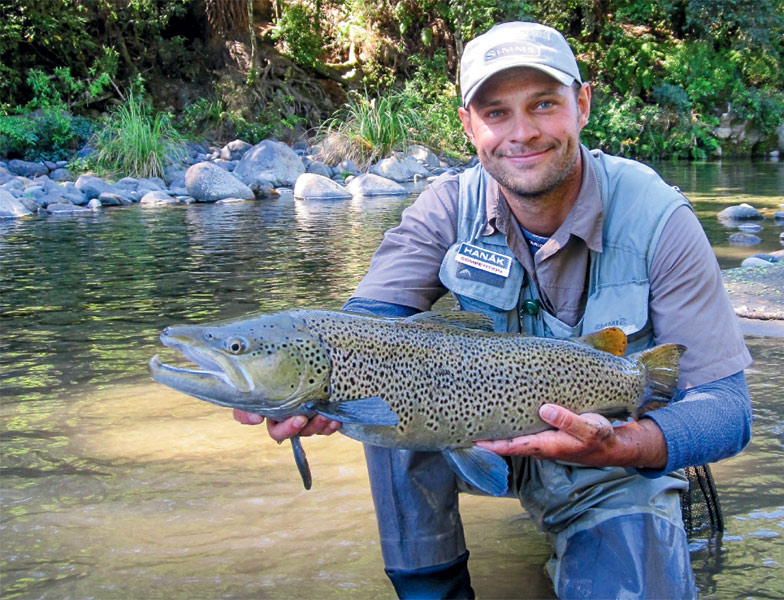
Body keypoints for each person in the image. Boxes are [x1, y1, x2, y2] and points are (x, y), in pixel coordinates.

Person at [234, 21, 753, 599]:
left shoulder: (658, 218)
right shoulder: (444, 208)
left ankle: (598, 530)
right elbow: (361, 328)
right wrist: (303, 390)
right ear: (469, 126)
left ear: (582, 105)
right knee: (384, 406)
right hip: (472, 443)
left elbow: (727, 410)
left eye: (544, 105)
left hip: (607, 459)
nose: (522, 133)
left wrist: (620, 445)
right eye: (496, 112)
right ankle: (433, 588)